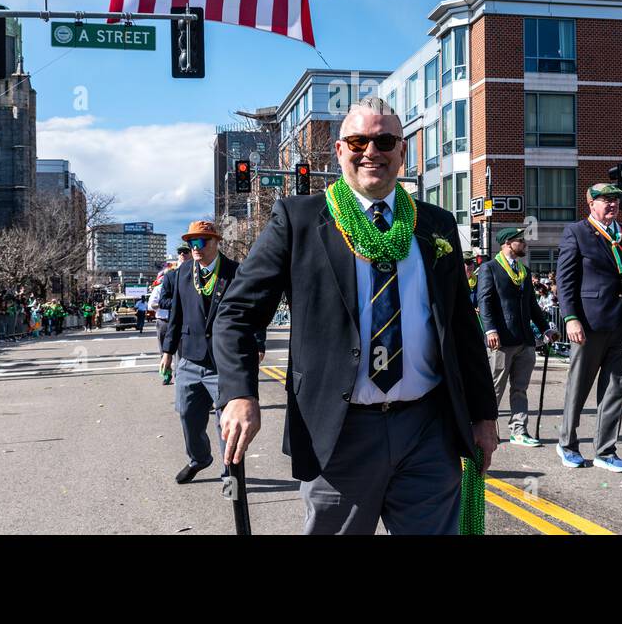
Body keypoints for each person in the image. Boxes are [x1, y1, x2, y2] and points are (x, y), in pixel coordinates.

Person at [213, 97, 498, 535]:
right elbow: (237, 313)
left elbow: (462, 326)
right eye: (358, 140)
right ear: (340, 150)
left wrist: (483, 416)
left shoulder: (435, 225)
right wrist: (238, 393)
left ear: (403, 152)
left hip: (427, 429)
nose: (371, 151)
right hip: (340, 434)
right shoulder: (300, 219)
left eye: (385, 141)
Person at [555, 182, 622, 472]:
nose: (612, 204)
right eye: (605, 200)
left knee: (616, 388)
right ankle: (567, 443)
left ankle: (605, 450)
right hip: (589, 324)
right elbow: (565, 280)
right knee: (578, 387)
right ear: (590, 203)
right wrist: (570, 318)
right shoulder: (577, 232)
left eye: (615, 200)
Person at [160, 221, 253, 488]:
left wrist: (257, 344)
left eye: (201, 242)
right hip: (189, 357)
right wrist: (168, 351)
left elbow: (250, 312)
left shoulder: (235, 272)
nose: (195, 248)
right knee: (188, 415)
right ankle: (199, 459)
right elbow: (176, 315)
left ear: (215, 242)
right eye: (191, 243)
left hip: (223, 361)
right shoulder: (183, 272)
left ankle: (230, 474)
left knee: (226, 420)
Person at [478, 226, 557, 447]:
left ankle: (519, 431)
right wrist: (490, 330)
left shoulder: (524, 271)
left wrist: (546, 329)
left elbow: (532, 306)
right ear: (507, 243)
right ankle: (486, 429)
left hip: (525, 340)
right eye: (520, 240)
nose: (525, 243)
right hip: (501, 339)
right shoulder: (490, 268)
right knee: (494, 388)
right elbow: (484, 301)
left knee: (520, 389)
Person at [155, 247, 189, 373]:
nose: (182, 254)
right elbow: (162, 301)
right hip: (178, 323)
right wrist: (182, 302)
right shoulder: (171, 275)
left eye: (186, 252)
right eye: (180, 252)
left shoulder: (202, 272)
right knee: (180, 360)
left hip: (200, 324)